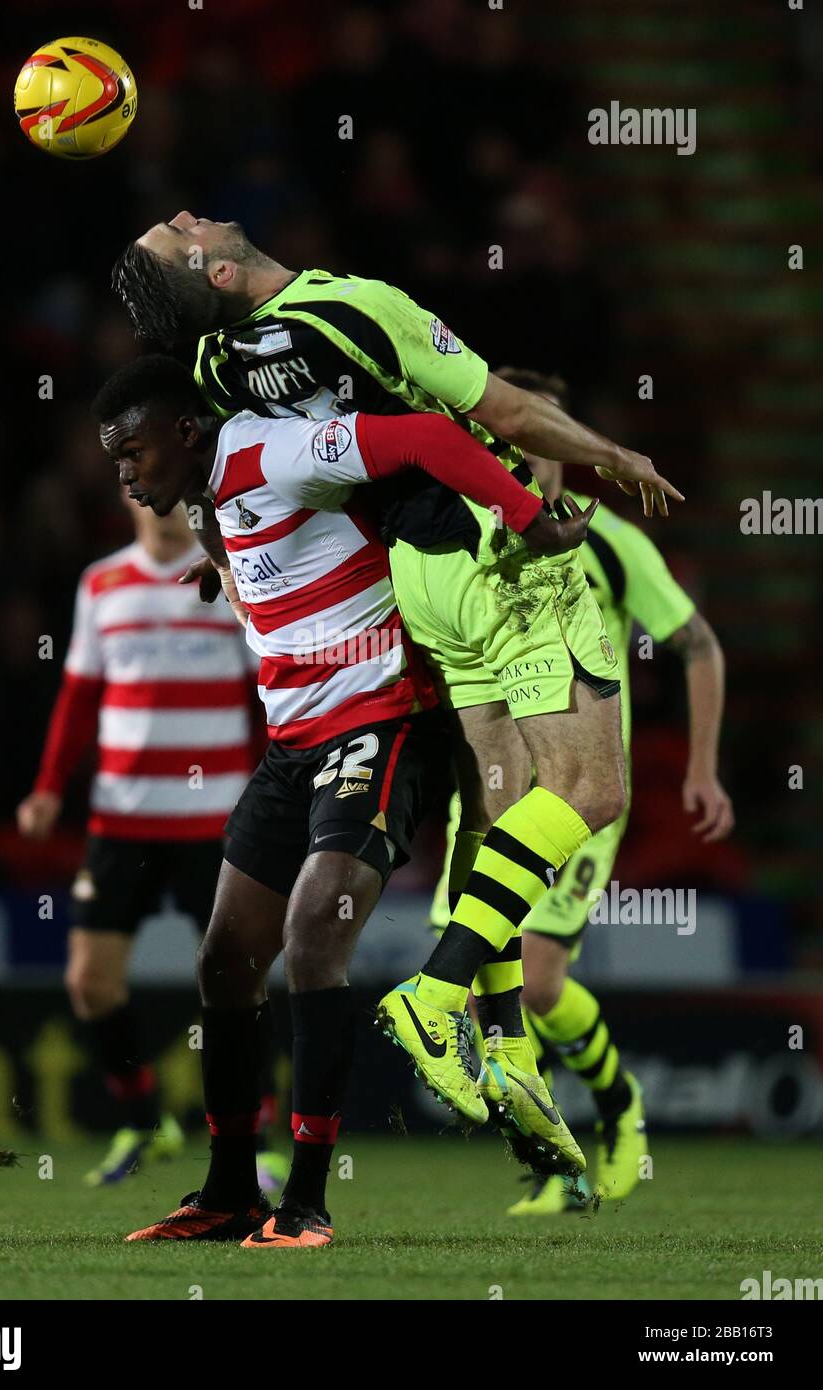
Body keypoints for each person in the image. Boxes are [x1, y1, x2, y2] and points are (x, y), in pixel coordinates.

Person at [110, 213, 683, 1168]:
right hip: (487, 547)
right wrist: (608, 458)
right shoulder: (349, 309)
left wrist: (227, 564)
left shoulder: (214, 372)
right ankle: (438, 992)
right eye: (179, 232)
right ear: (214, 268)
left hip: (413, 585)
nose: (186, 215)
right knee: (590, 790)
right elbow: (495, 411)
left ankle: (504, 1051)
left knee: (501, 814)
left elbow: (225, 484)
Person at [91, 353, 595, 1247]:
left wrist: (524, 514)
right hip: (293, 746)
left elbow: (426, 438)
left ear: (185, 431)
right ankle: (227, 1192)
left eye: (133, 451)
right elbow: (244, 535)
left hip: (382, 724)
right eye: (113, 459)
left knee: (313, 937)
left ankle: (307, 1204)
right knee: (224, 960)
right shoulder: (209, 497)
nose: (125, 473)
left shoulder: (277, 450)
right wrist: (223, 568)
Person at [430, 367, 734, 1212]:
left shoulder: (613, 545)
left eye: (541, 435)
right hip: (489, 789)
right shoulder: (463, 533)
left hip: (573, 796)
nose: (529, 452)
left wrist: (702, 768)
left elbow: (699, 646)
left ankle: (614, 1106)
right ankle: (558, 1162)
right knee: (499, 992)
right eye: (511, 436)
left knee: (527, 979)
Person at [17, 493, 279, 1187]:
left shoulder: (231, 578)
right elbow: (78, 694)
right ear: (126, 497)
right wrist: (47, 787)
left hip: (216, 819)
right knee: (89, 982)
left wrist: (273, 795)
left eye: (177, 496)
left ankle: (264, 1139)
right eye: (144, 491)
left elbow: (265, 695)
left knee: (238, 980)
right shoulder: (102, 583)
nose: (161, 506)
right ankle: (144, 1124)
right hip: (120, 819)